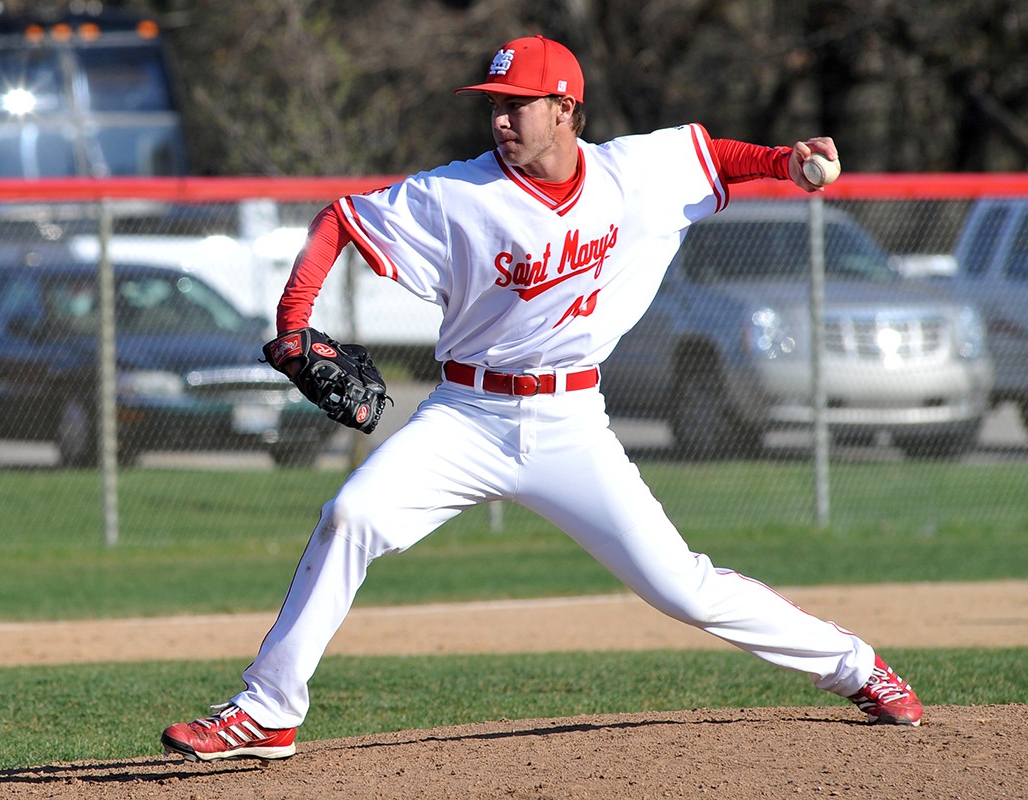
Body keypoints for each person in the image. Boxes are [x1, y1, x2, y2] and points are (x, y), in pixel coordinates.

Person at [161, 34, 922, 763]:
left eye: (516, 103)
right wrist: (292, 324)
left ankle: (856, 666)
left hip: (571, 425)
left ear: (564, 108)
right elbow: (341, 218)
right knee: (351, 515)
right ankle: (267, 710)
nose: (499, 117)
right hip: (466, 416)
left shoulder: (634, 173)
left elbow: (714, 157)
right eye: (492, 103)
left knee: (682, 589)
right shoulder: (458, 192)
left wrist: (785, 162)